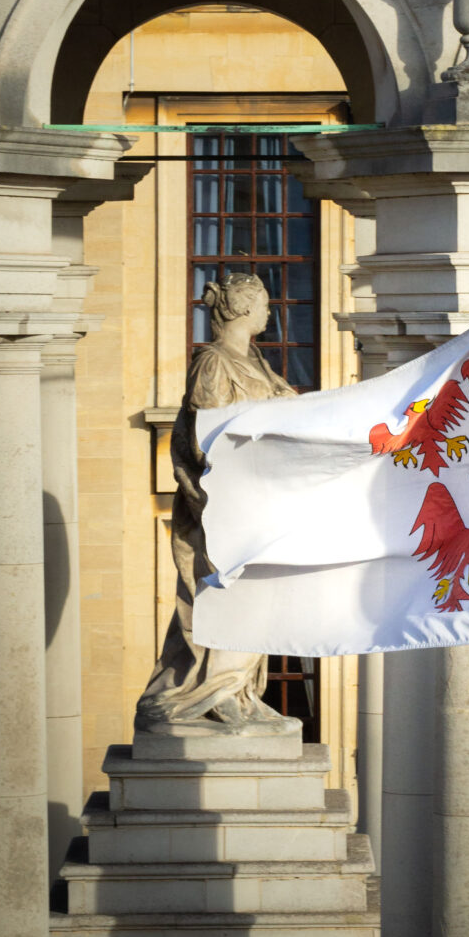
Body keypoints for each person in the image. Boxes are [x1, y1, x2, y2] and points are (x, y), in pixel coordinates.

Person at [135, 273, 298, 732]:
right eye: (265, 305)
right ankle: (213, 691)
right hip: (225, 502)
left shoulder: (259, 365)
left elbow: (292, 409)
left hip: (258, 499)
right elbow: (209, 437)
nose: (270, 314)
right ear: (245, 310)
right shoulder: (213, 364)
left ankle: (240, 691)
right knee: (223, 593)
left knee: (256, 596)